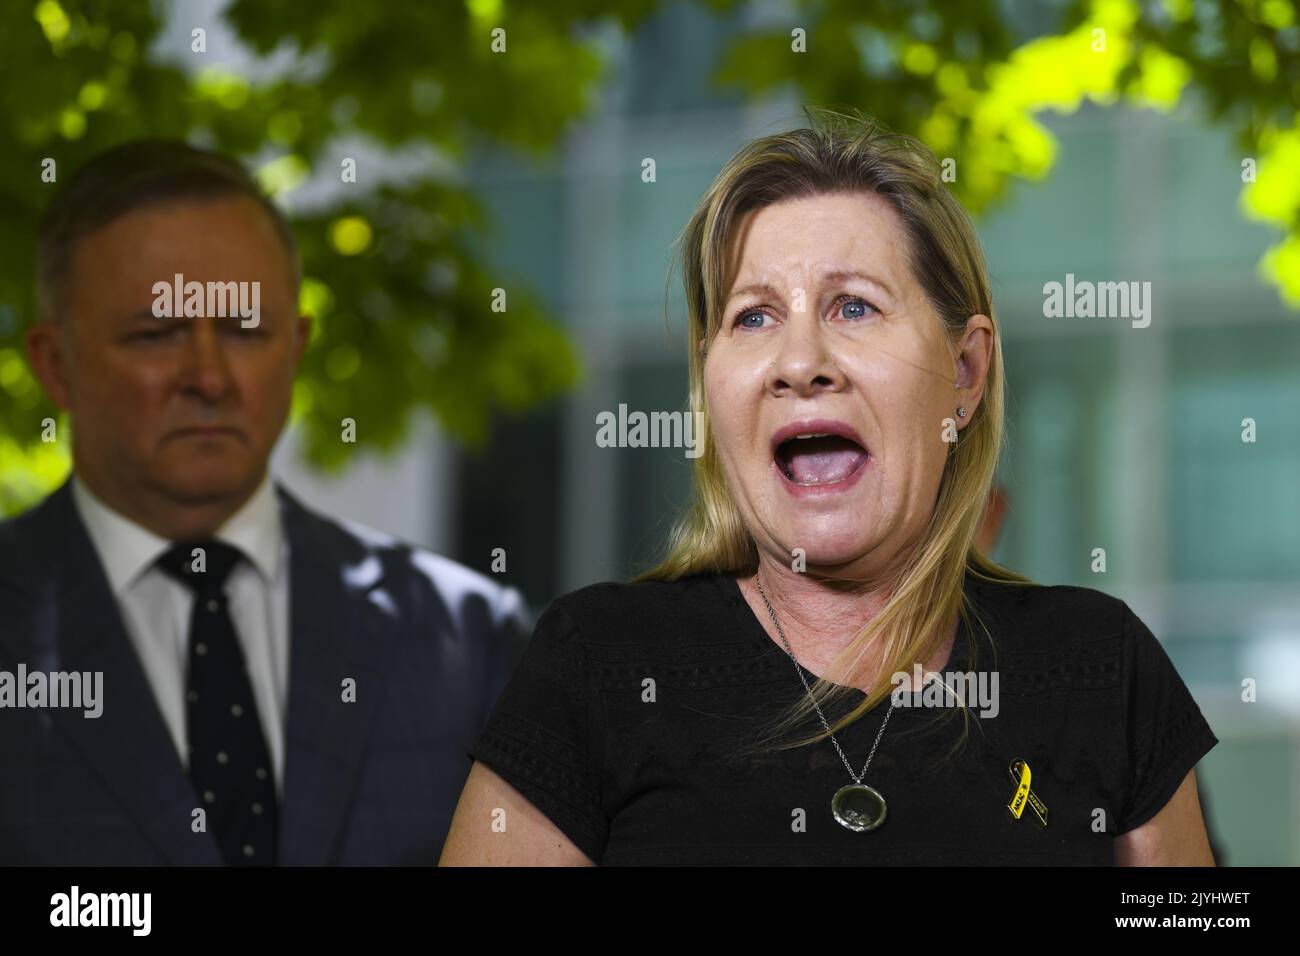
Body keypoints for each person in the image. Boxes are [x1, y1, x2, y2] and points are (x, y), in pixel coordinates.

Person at [440, 111, 1219, 866]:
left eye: (854, 306)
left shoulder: (1097, 670)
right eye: (754, 318)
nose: (800, 359)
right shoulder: (597, 668)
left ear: (965, 373)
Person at [0, 140, 528, 865]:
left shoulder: (468, 643)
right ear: (55, 365)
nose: (209, 377)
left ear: (297, 346)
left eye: (246, 329)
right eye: (157, 333)